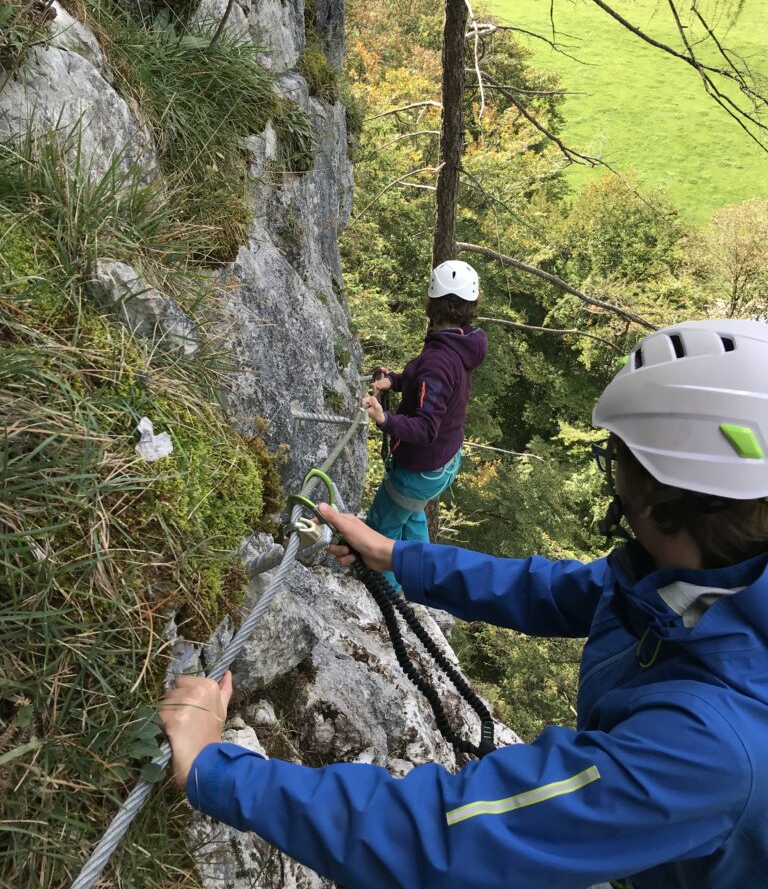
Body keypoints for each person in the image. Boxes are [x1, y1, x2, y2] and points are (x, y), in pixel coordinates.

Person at [160, 319, 768, 889]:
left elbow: (449, 836)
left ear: (659, 497)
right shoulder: (687, 584)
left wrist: (216, 770)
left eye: (623, 464)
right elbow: (545, 590)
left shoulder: (710, 749)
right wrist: (396, 556)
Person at [361, 260, 487, 588]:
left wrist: (384, 418)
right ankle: (424, 584)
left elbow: (426, 427)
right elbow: (428, 382)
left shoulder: (439, 358)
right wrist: (395, 380)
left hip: (419, 468)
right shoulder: (460, 343)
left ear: (432, 303)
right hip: (443, 462)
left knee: (381, 531)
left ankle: (390, 595)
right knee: (412, 515)